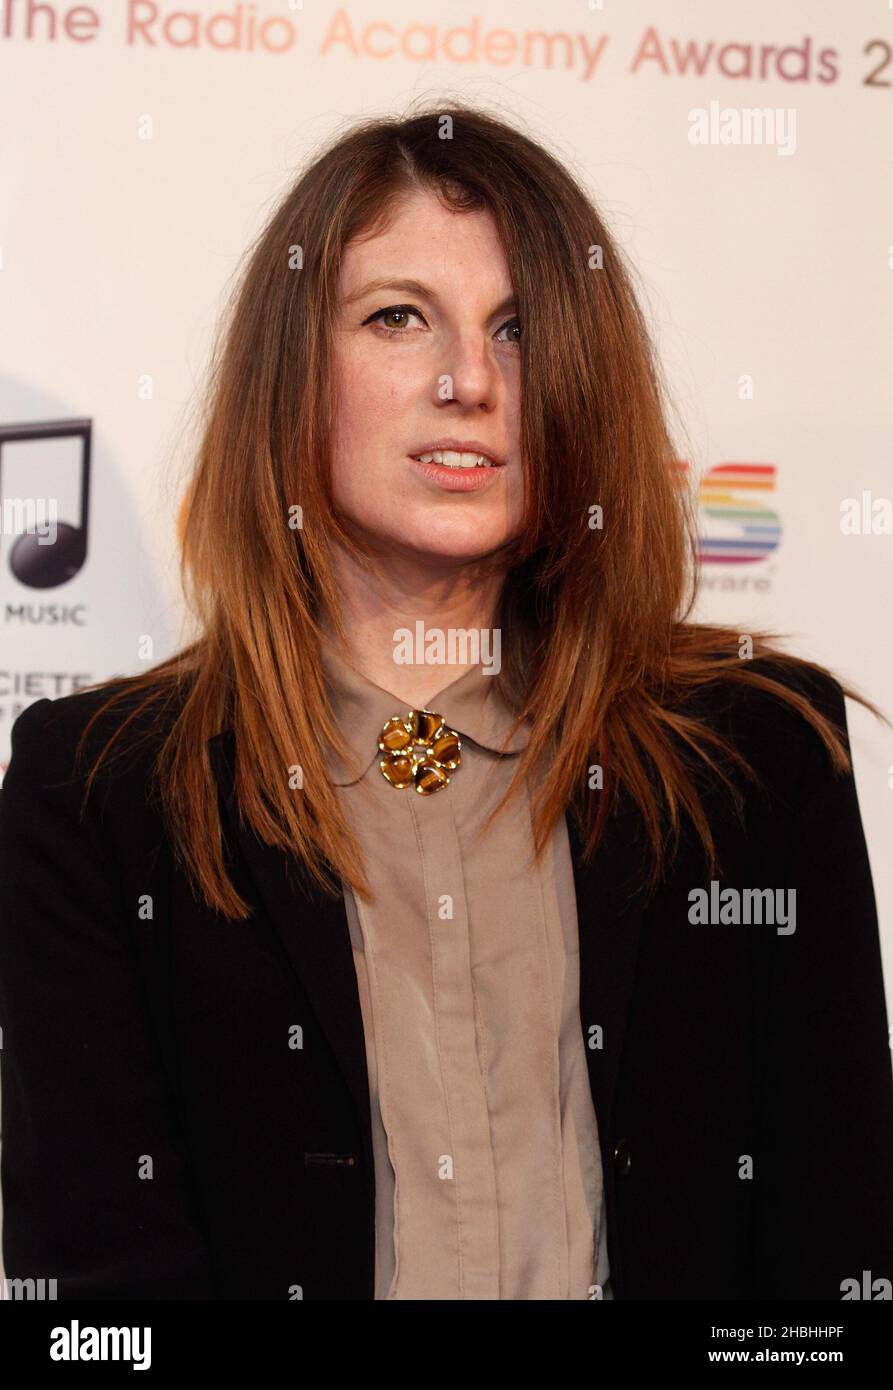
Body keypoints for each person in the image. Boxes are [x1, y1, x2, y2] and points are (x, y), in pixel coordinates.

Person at [1, 102, 891, 1301]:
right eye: (396, 316)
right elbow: (99, 1288)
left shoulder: (760, 759)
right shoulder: (94, 788)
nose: (467, 379)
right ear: (289, 371)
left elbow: (831, 1258)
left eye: (518, 328)